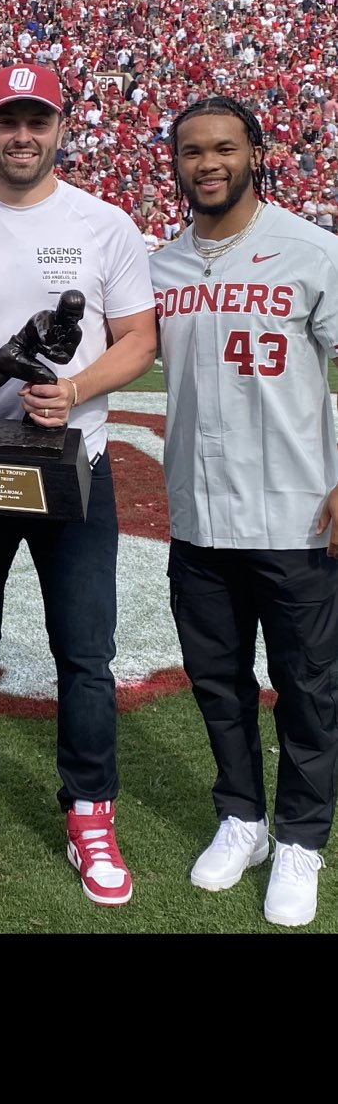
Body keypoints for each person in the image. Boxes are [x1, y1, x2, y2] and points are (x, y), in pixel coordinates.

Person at [0, 62, 157, 900]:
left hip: (70, 465)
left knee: (86, 652)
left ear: (59, 128)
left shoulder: (105, 224)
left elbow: (136, 339)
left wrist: (76, 389)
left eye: (36, 121)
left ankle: (90, 809)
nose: (22, 135)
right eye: (7, 120)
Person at [151, 94, 338, 928]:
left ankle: (302, 837)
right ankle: (244, 819)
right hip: (196, 514)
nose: (209, 163)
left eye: (225, 147)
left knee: (307, 687)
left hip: (297, 515)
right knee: (218, 684)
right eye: (193, 152)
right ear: (177, 164)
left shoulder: (312, 251)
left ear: (257, 151)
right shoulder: (161, 265)